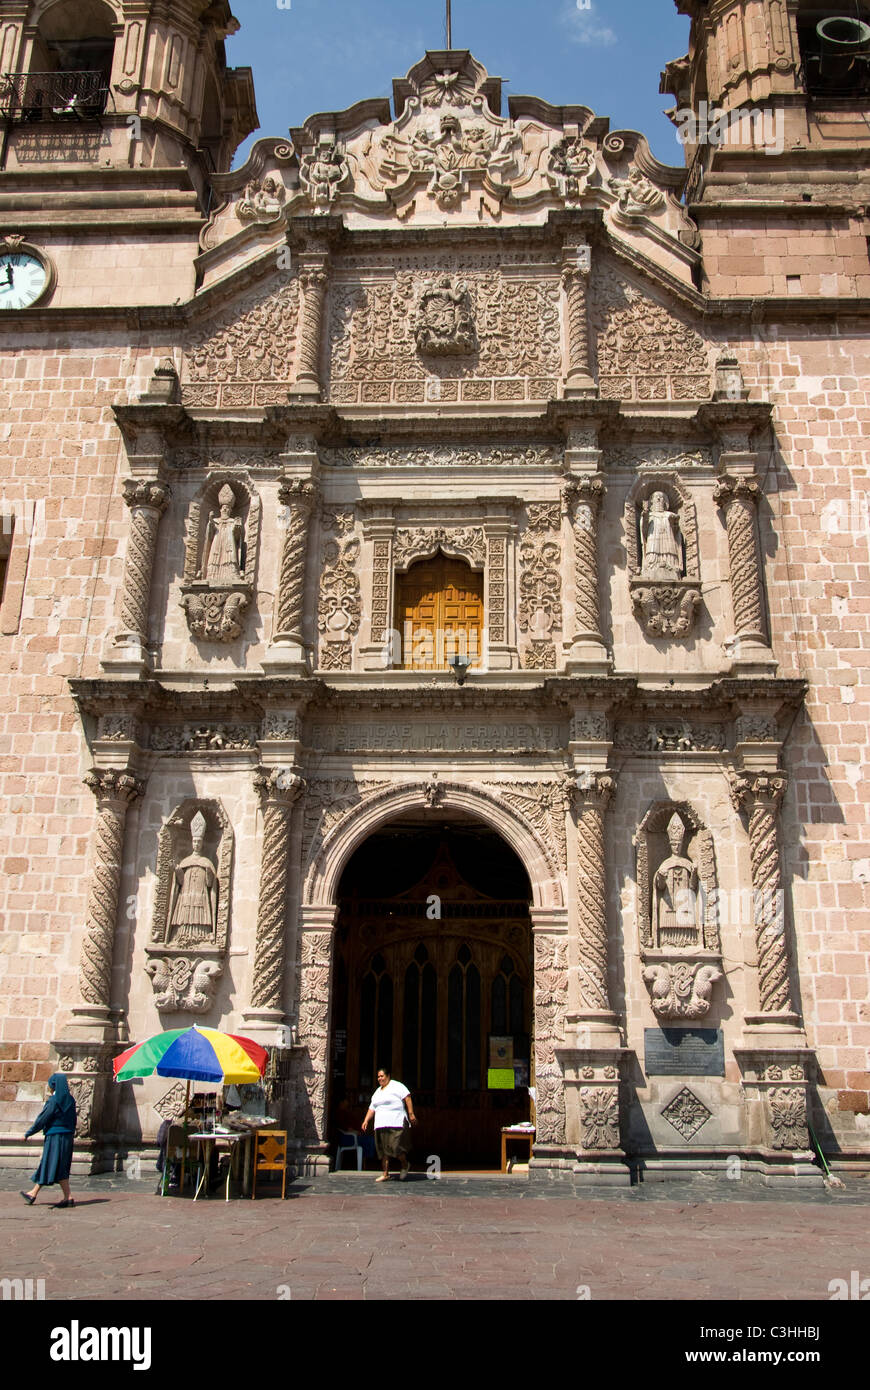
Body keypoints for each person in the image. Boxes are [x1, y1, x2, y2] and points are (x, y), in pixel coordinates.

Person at [20, 1073, 77, 1207]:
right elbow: (74, 1120)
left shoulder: (53, 1101)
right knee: (59, 1165)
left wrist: (28, 1133)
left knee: (49, 1163)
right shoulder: (71, 1100)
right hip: (67, 1137)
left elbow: (42, 1119)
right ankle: (66, 1197)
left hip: (55, 1137)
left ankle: (34, 1193)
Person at [361, 1067, 417, 1182]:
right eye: (378, 1076)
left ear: (388, 1076)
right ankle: (385, 1173)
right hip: (381, 1124)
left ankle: (405, 1164)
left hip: (396, 1122)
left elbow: (407, 1097)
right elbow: (372, 1108)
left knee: (395, 1148)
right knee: (383, 1151)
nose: (380, 1078)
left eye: (382, 1076)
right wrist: (366, 1120)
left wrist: (411, 1113)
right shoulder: (377, 1092)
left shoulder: (397, 1086)